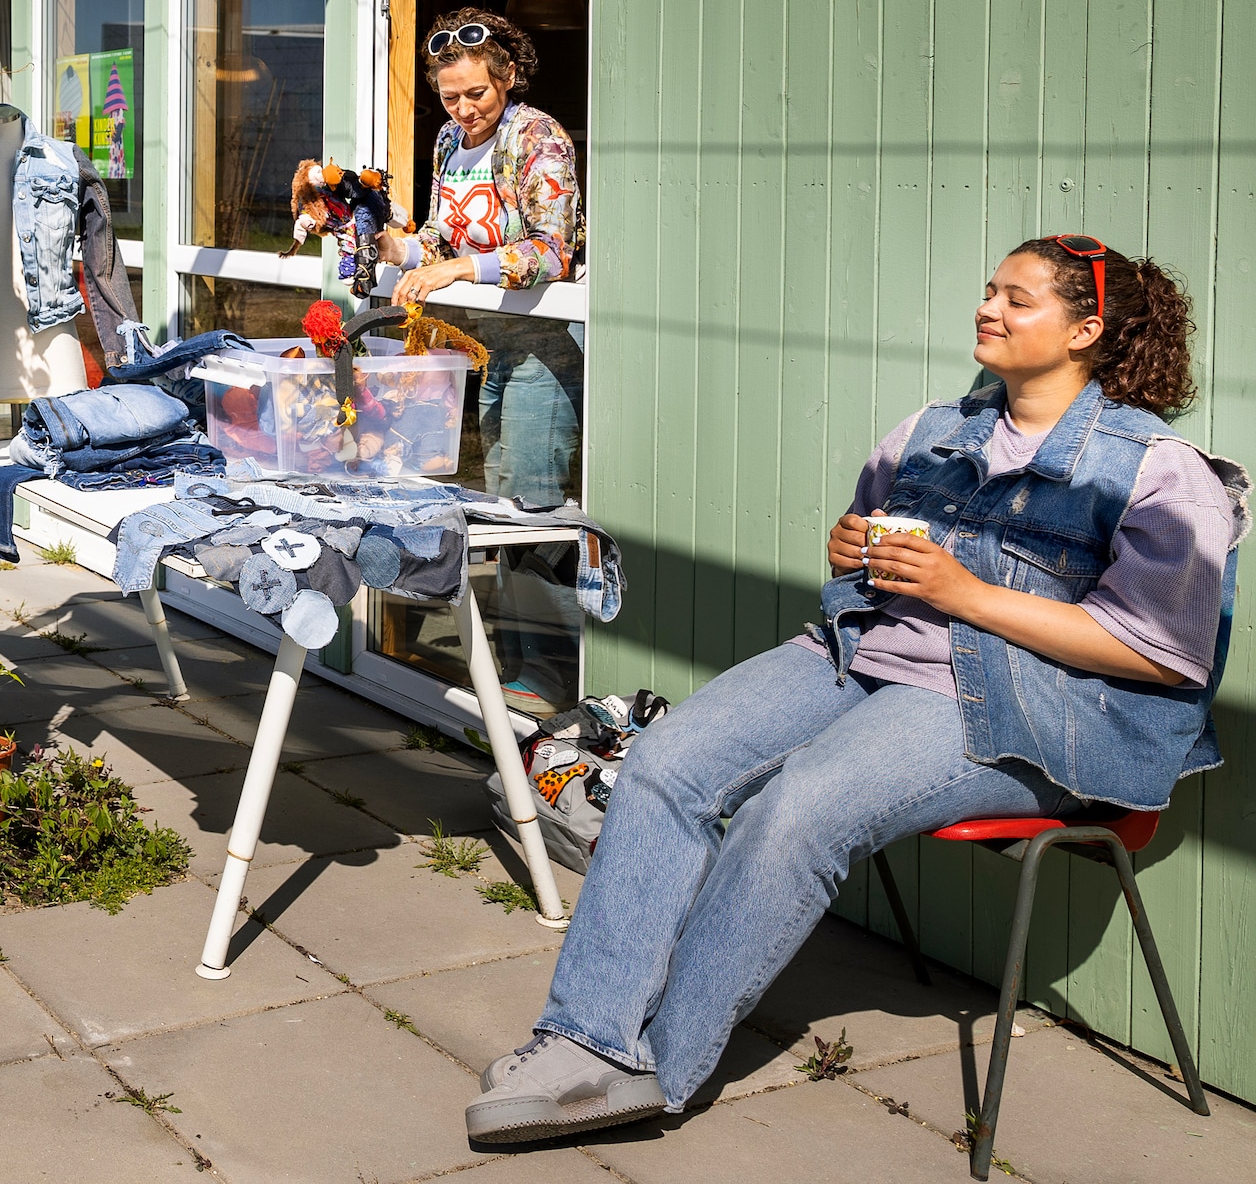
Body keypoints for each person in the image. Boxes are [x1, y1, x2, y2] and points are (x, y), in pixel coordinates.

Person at [464, 236, 1245, 1144]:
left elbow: (1161, 654)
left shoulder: (1153, 472)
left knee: (796, 812)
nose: (988, 308)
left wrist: (967, 594)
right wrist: (851, 548)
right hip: (866, 650)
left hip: (1017, 702)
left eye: (1018, 300)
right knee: (665, 764)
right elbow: (873, 540)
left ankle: (655, 1071)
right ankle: (585, 1038)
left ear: (1087, 329)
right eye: (989, 289)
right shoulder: (934, 432)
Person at [389, 8, 586, 713]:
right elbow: (440, 235)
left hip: (544, 348)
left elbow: (550, 250)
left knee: (531, 512)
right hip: (488, 346)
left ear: (507, 75)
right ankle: (525, 662)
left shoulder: (538, 138)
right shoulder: (448, 139)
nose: (464, 108)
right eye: (450, 96)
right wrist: (395, 250)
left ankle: (561, 677)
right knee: (500, 504)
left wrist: (455, 271)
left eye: (478, 93)